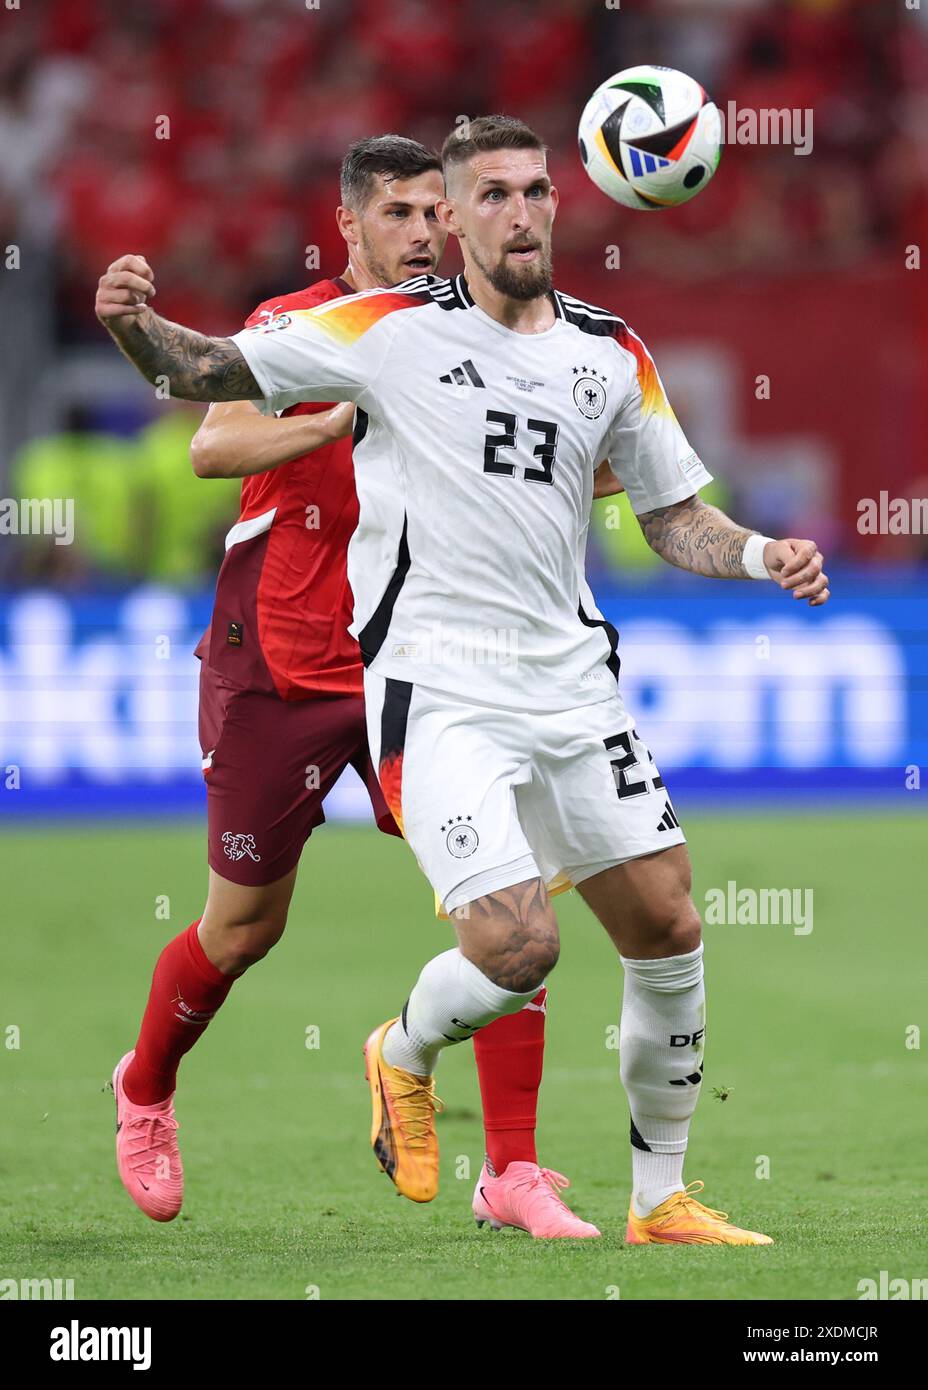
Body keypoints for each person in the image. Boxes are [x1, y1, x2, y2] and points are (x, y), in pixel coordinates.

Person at [95, 115, 829, 1244]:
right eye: (477, 197)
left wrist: (753, 552)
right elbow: (205, 389)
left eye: (531, 191)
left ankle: (619, 1190)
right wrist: (135, 325)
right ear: (398, 217)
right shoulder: (372, 333)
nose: (505, 214)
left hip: (568, 686)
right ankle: (222, 1074)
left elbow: (667, 511)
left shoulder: (606, 349)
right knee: (294, 933)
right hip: (357, 672)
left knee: (659, 923)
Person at [100, 135, 598, 1240]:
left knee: (507, 894)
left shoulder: (487, 333)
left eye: (436, 211)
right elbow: (211, 444)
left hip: (421, 666)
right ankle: (144, 1088)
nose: (424, 232)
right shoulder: (304, 325)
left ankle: (510, 1168)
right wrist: (336, 412)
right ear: (351, 230)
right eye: (400, 215)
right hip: (278, 661)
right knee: (241, 929)